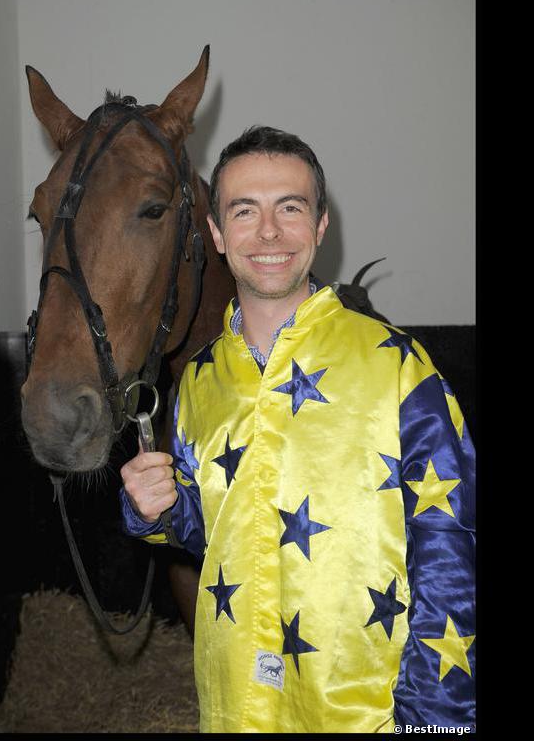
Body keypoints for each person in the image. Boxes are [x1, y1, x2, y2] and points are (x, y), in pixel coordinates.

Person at [119, 126, 476, 733]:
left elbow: (451, 550)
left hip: (366, 715)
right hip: (234, 708)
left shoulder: (396, 366)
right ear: (215, 233)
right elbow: (215, 529)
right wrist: (157, 509)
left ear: (320, 226)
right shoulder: (200, 382)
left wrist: (435, 718)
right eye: (244, 210)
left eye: (290, 208)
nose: (268, 232)